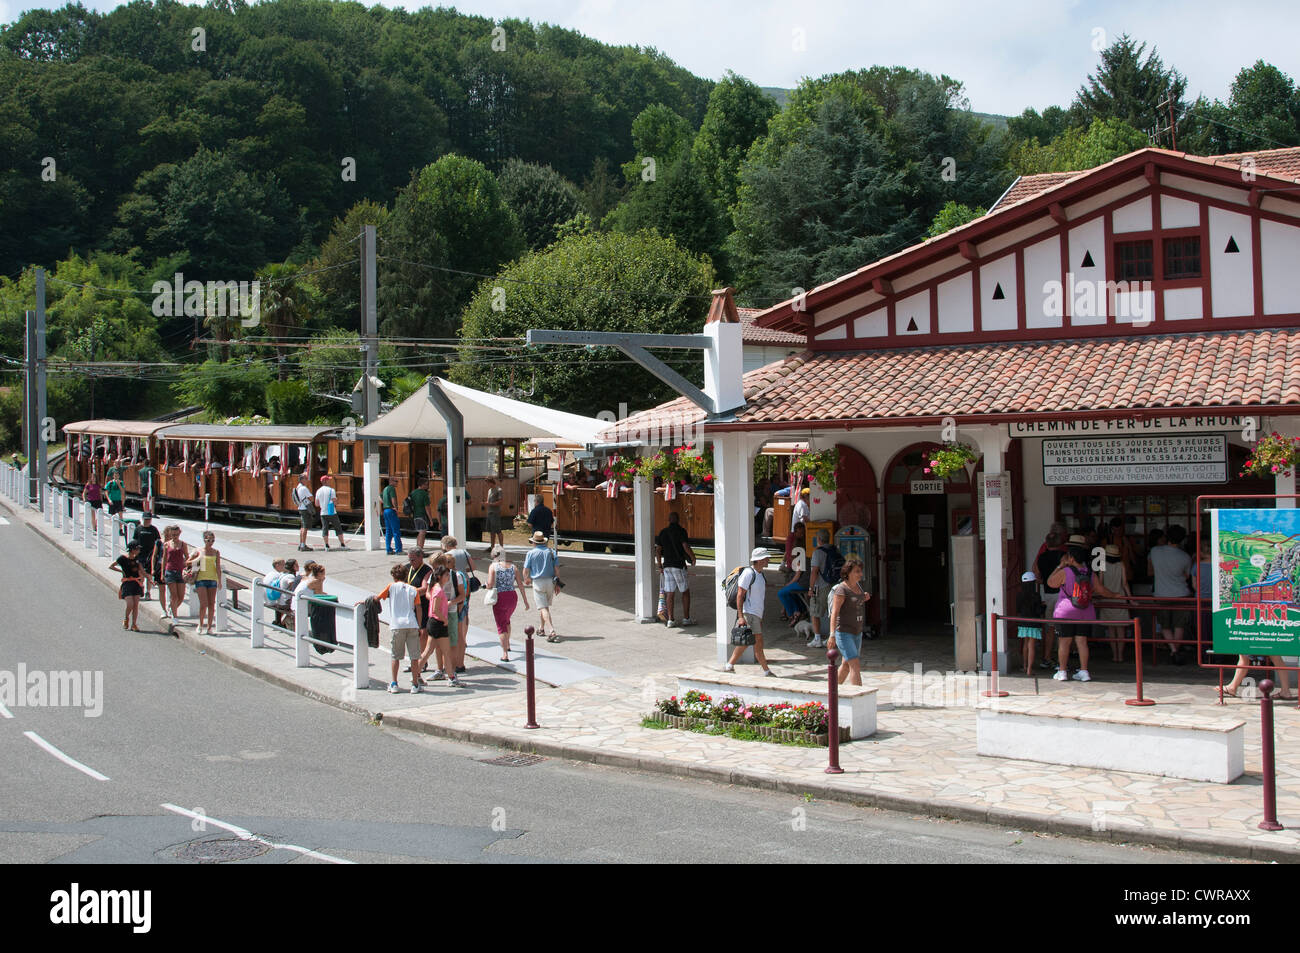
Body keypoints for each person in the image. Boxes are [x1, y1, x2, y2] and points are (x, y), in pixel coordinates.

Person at [1047, 540, 1119, 682]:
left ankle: (1062, 671)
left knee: (1064, 642)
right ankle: (1084, 671)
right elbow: (1101, 590)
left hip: (1066, 611)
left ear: (1071, 558)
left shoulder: (1065, 572)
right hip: (1085, 611)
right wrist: (1115, 595)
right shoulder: (1090, 572)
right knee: (1082, 642)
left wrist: (1059, 566)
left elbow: (1050, 582)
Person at [368, 563, 424, 694]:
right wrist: (419, 625)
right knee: (414, 657)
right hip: (411, 623)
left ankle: (394, 683)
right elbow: (418, 608)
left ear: (393, 576)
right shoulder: (413, 589)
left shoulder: (391, 587)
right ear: (406, 576)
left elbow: (377, 598)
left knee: (395, 656)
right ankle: (415, 684)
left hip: (397, 625)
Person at [725, 547, 775, 676]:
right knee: (755, 642)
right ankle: (766, 671)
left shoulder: (760, 575)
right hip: (749, 613)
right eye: (765, 558)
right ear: (759, 560)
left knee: (749, 642)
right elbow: (740, 595)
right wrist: (741, 616)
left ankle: (730, 665)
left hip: (755, 614)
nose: (768, 560)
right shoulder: (749, 574)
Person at [1149, 524, 1192, 664]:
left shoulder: (1154, 551)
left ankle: (1173, 650)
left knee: (1165, 625)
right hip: (1181, 593)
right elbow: (1187, 576)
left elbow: (1150, 571)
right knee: (1179, 625)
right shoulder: (1185, 556)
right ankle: (1176, 652)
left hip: (1161, 593)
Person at [827, 556, 870, 685]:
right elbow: (834, 613)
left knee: (846, 665)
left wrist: (864, 597)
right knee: (855, 665)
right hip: (844, 633)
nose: (860, 574)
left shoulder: (858, 587)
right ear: (848, 573)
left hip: (857, 632)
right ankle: (858, 699)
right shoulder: (841, 589)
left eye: (860, 571)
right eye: (857, 571)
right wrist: (832, 635)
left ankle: (832, 692)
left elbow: (856, 602)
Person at [487, 544, 530, 660]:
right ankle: (508, 643)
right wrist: (525, 601)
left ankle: (505, 653)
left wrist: (486, 586)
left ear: (494, 555)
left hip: (500, 596)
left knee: (501, 625)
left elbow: (490, 584)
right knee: (506, 620)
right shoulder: (513, 567)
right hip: (512, 596)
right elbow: (520, 585)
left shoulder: (493, 567)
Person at [655, 512, 697, 627]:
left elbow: (658, 550)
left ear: (669, 520)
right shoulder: (681, 531)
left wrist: (659, 565)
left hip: (667, 566)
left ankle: (671, 620)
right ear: (678, 520)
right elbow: (685, 546)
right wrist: (693, 558)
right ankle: (686, 618)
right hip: (678, 566)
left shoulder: (663, 532)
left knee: (670, 593)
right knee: (685, 592)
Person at [442, 536, 476, 674]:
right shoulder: (464, 552)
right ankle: (464, 635)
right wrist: (463, 571)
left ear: (445, 545)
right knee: (464, 612)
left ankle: (449, 664)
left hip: (452, 589)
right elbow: (473, 567)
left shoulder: (445, 557)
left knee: (453, 619)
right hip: (465, 585)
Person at [1034, 530, 1067, 670]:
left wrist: (1043, 582)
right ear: (1060, 543)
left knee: (1049, 629)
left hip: (1047, 595)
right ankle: (1061, 661)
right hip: (1062, 595)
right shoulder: (1063, 557)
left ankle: (1046, 658)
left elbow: (1036, 574)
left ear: (1046, 543)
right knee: (1062, 630)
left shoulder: (1041, 558)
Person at [522, 530, 562, 642]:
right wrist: (558, 583)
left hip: (538, 582)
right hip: (550, 582)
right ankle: (541, 628)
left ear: (534, 542)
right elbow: (556, 569)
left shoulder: (530, 553)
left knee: (543, 607)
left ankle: (551, 631)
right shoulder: (551, 552)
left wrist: (526, 579)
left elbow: (526, 570)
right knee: (545, 607)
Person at [808, 529, 843, 648]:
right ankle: (832, 636)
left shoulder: (818, 552)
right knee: (833, 612)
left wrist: (810, 588)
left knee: (815, 611)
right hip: (834, 585)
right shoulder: (835, 549)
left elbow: (814, 571)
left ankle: (817, 638)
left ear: (818, 539)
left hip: (821, 586)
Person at [1098, 543, 1132, 662]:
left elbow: (1100, 583)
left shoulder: (1102, 565)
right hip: (1120, 598)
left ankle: (1114, 655)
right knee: (1121, 629)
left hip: (1107, 599)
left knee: (1111, 629)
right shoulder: (1121, 565)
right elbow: (1125, 583)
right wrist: (1131, 599)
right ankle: (1121, 655)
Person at [186, 530, 222, 635]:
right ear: (204, 540)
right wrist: (198, 558)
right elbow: (187, 562)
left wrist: (219, 581)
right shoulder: (198, 551)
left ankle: (209, 627)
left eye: (212, 540)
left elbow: (218, 567)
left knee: (211, 604)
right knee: (203, 604)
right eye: (208, 540)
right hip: (201, 579)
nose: (211, 542)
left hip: (212, 579)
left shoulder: (216, 552)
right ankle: (200, 624)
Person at [111, 541, 146, 631]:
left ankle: (134, 624)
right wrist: (121, 571)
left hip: (136, 583)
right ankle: (126, 618)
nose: (138, 550)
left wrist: (149, 579)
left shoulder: (137, 559)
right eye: (137, 549)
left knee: (136, 605)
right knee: (130, 604)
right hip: (127, 583)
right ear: (132, 550)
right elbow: (111, 566)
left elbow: (142, 570)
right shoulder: (122, 558)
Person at [1015, 570, 1045, 674]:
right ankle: (1029, 669)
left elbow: (1018, 609)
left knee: (1025, 644)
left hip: (1023, 622)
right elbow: (1039, 611)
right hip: (1034, 622)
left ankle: (1024, 666)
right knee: (1031, 645)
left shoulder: (1019, 595)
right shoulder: (1036, 596)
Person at [160, 524, 191, 620]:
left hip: (180, 572)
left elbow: (187, 557)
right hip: (170, 571)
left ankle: (171, 609)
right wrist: (162, 573)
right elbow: (164, 559)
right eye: (173, 535)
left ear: (179, 533)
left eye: (176, 535)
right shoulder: (166, 545)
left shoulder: (183, 544)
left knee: (181, 596)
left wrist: (188, 568)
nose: (175, 537)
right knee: (174, 596)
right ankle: (175, 616)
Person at [131, 512, 162, 602]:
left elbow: (158, 541)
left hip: (150, 555)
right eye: (145, 519)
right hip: (140, 554)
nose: (147, 521)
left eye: (149, 519)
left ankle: (148, 592)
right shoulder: (138, 529)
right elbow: (135, 541)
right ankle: (141, 588)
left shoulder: (154, 529)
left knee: (148, 574)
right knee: (140, 573)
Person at [315, 475, 346, 549]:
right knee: (338, 528)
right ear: (325, 481)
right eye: (328, 480)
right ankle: (342, 544)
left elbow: (316, 504)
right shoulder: (331, 490)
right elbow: (334, 501)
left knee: (325, 529)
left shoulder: (318, 491)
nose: (330, 481)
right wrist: (336, 502)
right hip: (331, 512)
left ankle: (326, 545)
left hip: (323, 513)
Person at [409, 479, 432, 551]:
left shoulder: (413, 492)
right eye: (426, 484)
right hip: (422, 515)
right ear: (422, 485)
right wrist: (431, 519)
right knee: (422, 532)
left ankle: (417, 548)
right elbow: (427, 508)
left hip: (415, 515)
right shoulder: (424, 494)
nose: (427, 486)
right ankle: (420, 549)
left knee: (419, 532)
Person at [380, 478, 402, 554]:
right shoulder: (392, 488)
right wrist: (395, 508)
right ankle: (398, 550)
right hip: (391, 510)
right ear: (391, 481)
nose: (397, 483)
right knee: (396, 531)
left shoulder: (385, 489)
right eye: (396, 481)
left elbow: (379, 497)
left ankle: (388, 549)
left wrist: (385, 503)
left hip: (385, 510)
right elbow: (393, 499)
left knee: (388, 531)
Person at [293, 474, 314, 551]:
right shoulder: (304, 488)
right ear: (302, 480)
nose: (307, 480)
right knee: (305, 527)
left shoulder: (298, 487)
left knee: (302, 527)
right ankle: (303, 545)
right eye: (305, 478)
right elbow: (311, 498)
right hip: (305, 509)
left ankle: (301, 543)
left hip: (301, 507)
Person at [485, 477, 505, 551]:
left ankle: (501, 547)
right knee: (491, 531)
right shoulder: (489, 490)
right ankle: (492, 547)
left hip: (495, 513)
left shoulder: (498, 490)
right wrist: (486, 503)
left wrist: (491, 504)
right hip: (489, 512)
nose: (487, 484)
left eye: (488, 483)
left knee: (498, 530)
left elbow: (501, 501)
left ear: (491, 482)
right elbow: (488, 501)